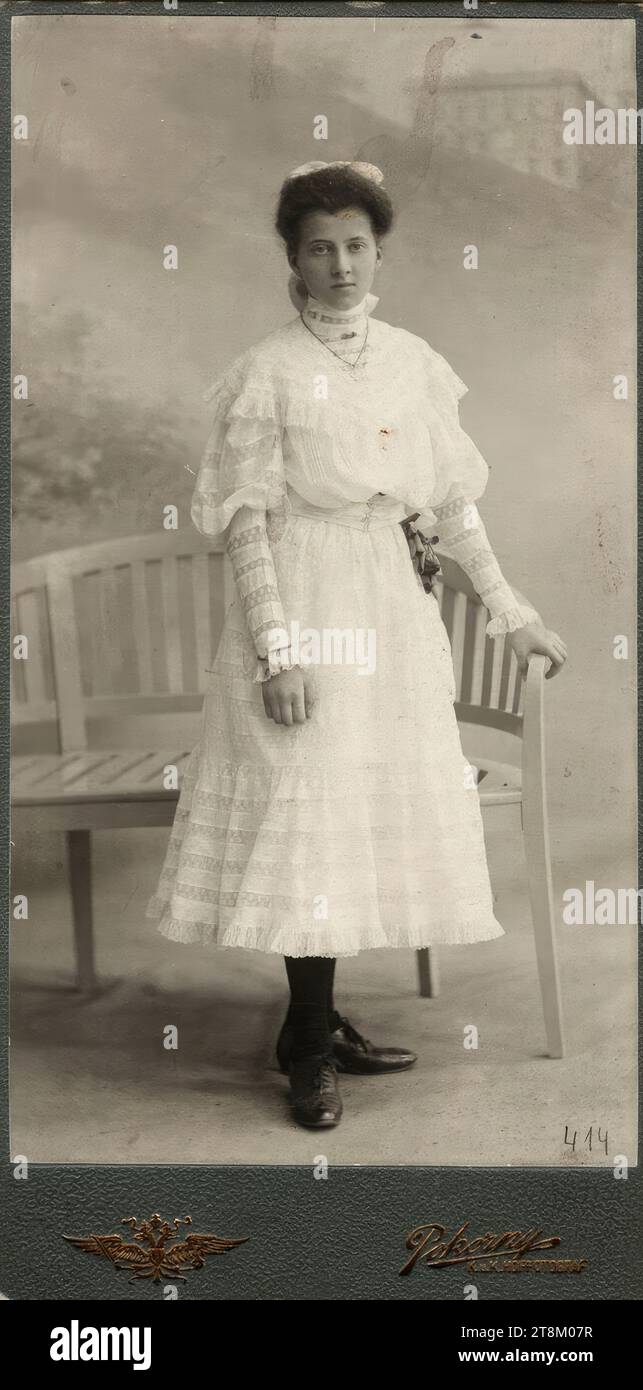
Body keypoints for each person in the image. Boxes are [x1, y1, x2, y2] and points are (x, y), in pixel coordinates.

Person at [146, 159, 567, 1130]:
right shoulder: (266, 373)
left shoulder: (413, 363)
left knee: (360, 816)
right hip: (304, 601)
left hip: (389, 606)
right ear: (290, 258)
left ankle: (315, 1026)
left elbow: (452, 507)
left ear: (377, 253)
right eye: (319, 247)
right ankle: (306, 1046)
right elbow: (246, 525)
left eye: (355, 246)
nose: (339, 263)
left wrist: (511, 612)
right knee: (310, 818)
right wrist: (277, 653)